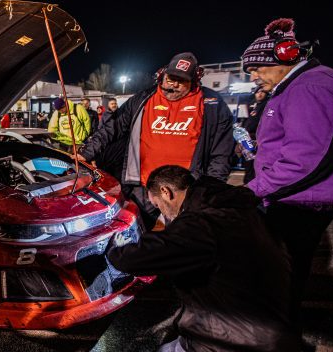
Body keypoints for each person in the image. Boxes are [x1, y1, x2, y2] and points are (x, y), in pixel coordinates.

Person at [107, 165, 333, 352]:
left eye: (157, 205)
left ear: (166, 192)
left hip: (241, 343)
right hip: (274, 330)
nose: (161, 213)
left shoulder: (200, 225)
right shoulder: (232, 205)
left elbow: (141, 256)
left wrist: (114, 250)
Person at [241, 18, 333, 312]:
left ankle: (276, 331)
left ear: (284, 57)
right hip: (294, 198)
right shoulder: (297, 85)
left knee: (281, 279)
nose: (253, 77)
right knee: (279, 276)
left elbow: (305, 159)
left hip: (299, 203)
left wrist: (253, 190)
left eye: (257, 68)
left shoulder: (309, 87)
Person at [80, 52, 234, 229]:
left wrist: (212, 188)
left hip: (184, 190)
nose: (174, 84)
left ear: (194, 81)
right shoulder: (143, 98)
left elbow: (221, 152)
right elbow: (112, 127)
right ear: (162, 75)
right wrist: (86, 153)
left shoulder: (211, 103)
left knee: (182, 235)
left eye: (182, 80)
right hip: (144, 186)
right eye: (170, 78)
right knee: (135, 230)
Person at [239, 87, 268, 184]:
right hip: (246, 138)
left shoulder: (267, 104)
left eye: (262, 92)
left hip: (258, 139)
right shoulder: (251, 104)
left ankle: (255, 183)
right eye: (257, 92)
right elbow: (243, 120)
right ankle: (247, 182)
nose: (260, 94)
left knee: (256, 163)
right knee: (248, 162)